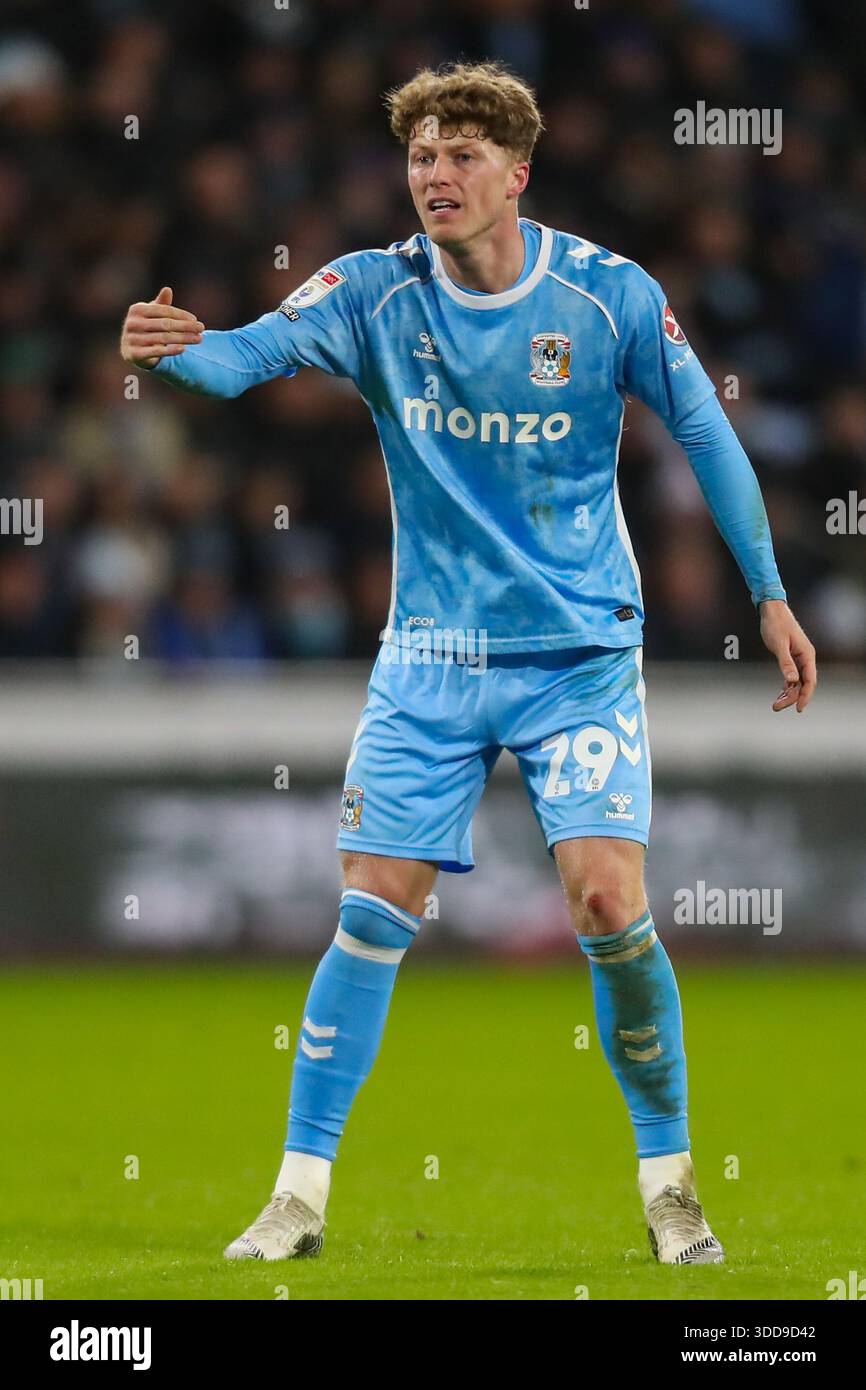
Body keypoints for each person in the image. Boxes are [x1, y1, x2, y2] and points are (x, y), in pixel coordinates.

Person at [119, 60, 817, 1266]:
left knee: (606, 902)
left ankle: (669, 1186)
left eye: (458, 157)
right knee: (368, 911)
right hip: (431, 657)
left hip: (578, 654)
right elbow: (245, 356)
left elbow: (702, 426)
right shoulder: (373, 291)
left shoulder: (604, 296)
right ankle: (295, 1197)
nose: (434, 177)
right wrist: (174, 350)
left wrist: (765, 591)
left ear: (515, 174)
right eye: (420, 157)